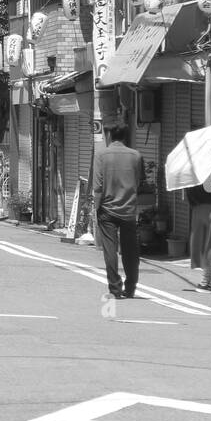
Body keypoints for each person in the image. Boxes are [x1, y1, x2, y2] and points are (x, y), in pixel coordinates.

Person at [92, 123, 145, 299]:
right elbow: (137, 182)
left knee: (110, 249)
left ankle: (115, 287)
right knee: (131, 251)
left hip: (107, 209)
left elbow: (98, 186)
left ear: (109, 136)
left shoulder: (101, 155)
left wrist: (96, 207)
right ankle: (130, 288)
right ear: (126, 137)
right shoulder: (136, 156)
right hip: (129, 209)